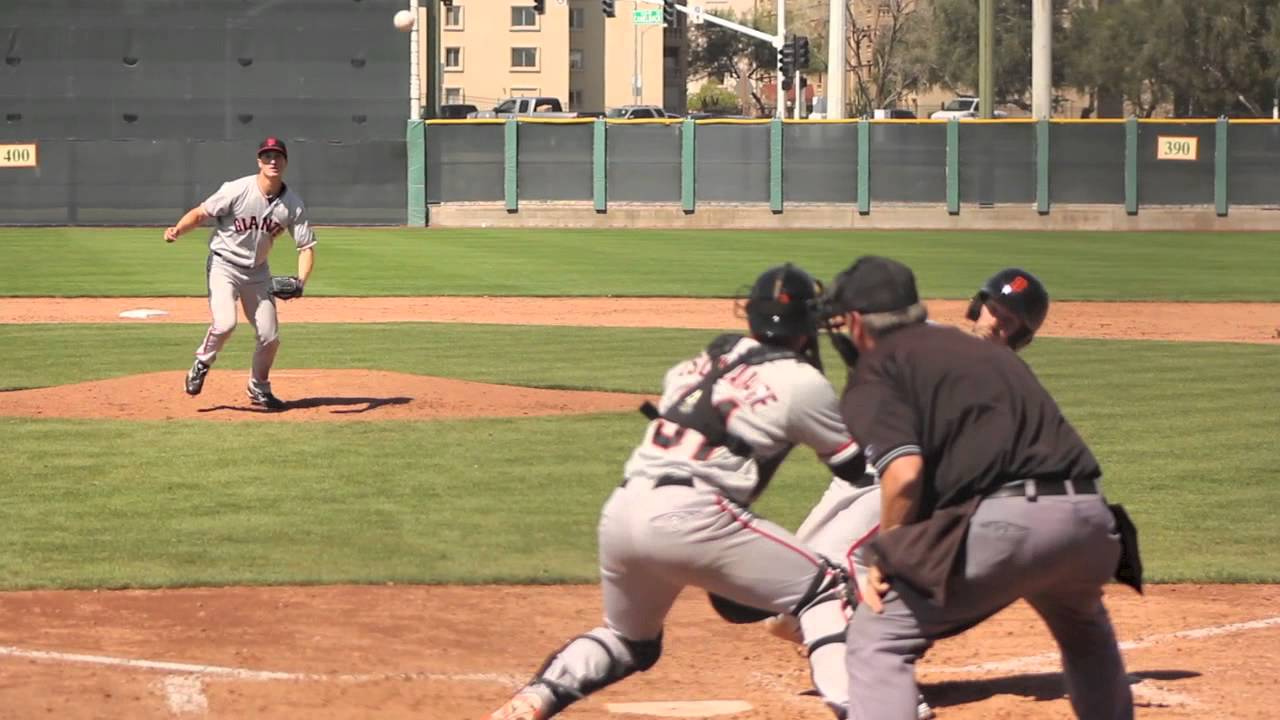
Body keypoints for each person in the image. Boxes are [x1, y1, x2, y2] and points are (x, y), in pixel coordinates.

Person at [485, 264, 868, 720]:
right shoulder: (803, 383)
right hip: (694, 516)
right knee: (824, 590)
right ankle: (868, 708)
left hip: (622, 510)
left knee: (629, 640)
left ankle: (538, 696)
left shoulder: (693, 365)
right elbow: (853, 469)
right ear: (808, 323)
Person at [822, 255, 1134, 720]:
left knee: (879, 634)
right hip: (1090, 521)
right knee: (1085, 632)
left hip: (1009, 524)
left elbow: (904, 474)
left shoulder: (878, 369)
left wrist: (891, 553)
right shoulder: (991, 356)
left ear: (858, 322)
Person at [762, 267, 1053, 720]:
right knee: (788, 603)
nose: (995, 320)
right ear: (978, 305)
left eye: (1009, 320)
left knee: (832, 577)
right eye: (993, 308)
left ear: (1020, 335)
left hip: (902, 487)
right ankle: (854, 636)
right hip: (857, 475)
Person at [164, 137, 316, 410]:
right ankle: (202, 362)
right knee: (225, 323)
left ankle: (259, 388)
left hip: (258, 273)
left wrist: (301, 282)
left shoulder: (293, 204)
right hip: (224, 265)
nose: (272, 161)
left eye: (277, 156)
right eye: (267, 156)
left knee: (270, 336)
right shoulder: (236, 189)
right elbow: (201, 213)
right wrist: (178, 230)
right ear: (259, 161)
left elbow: (306, 247)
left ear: (285, 162)